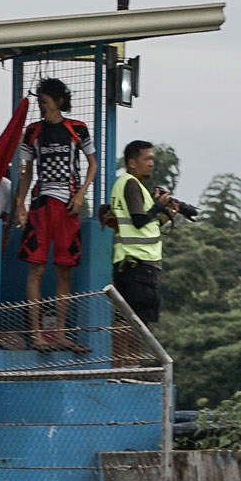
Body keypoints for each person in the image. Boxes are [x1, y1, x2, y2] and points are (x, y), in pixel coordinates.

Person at [10, 77, 96, 351]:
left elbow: (93, 164)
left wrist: (81, 194)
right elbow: (27, 172)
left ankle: (59, 333)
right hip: (41, 204)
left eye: (45, 102)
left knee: (64, 271)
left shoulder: (77, 129)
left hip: (68, 205)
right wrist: (20, 203)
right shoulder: (32, 131)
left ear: (59, 101)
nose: (41, 107)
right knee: (35, 269)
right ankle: (35, 334)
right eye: (39, 102)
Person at [106, 138, 179, 340]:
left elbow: (146, 225)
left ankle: (126, 368)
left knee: (133, 323)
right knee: (132, 325)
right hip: (137, 265)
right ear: (132, 162)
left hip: (133, 264)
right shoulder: (130, 183)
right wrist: (158, 205)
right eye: (147, 159)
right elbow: (139, 220)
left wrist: (167, 215)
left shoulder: (128, 184)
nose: (151, 163)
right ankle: (124, 369)